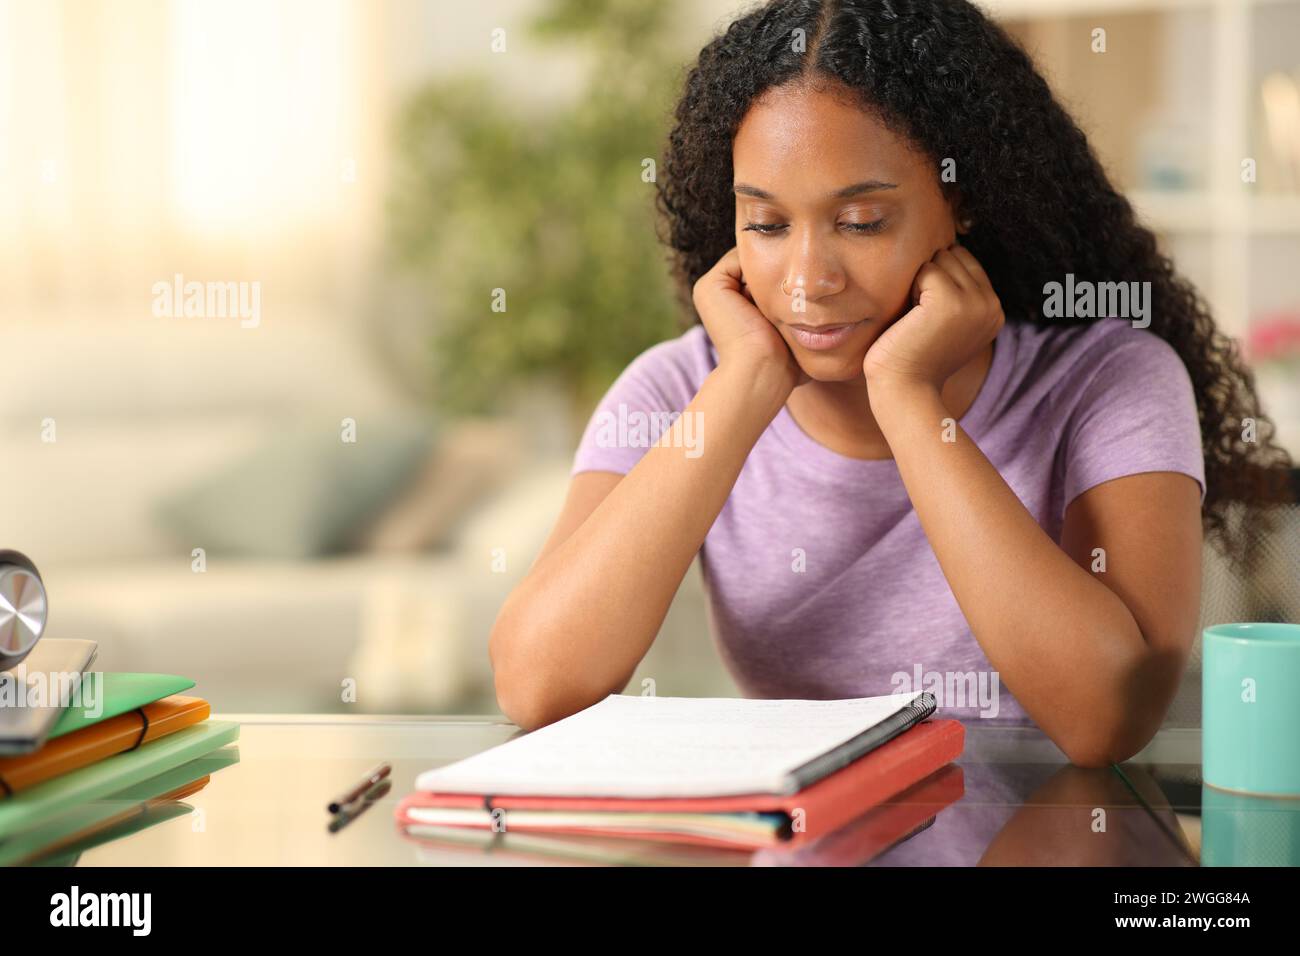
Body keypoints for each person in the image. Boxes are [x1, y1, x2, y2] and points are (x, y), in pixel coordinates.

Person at [488, 0, 1292, 766]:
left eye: (861, 222)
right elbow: (539, 687)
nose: (807, 279)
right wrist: (745, 387)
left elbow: (1106, 719)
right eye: (766, 224)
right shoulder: (678, 394)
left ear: (962, 200)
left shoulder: (1109, 382)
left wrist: (908, 400)